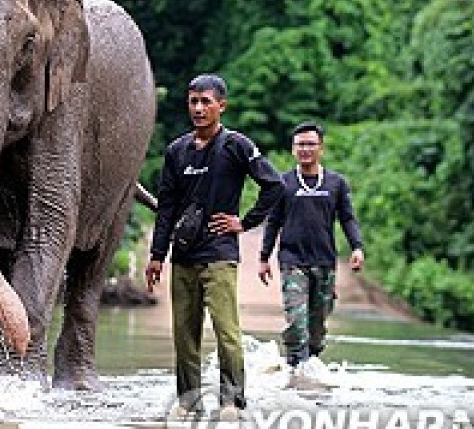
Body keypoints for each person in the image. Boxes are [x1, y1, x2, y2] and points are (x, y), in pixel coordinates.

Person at [145, 74, 284, 418]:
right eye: (193, 101)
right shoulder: (176, 151)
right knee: (184, 336)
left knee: (227, 334)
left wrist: (245, 222)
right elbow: (166, 208)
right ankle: (189, 402)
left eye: (206, 102)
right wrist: (157, 255)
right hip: (184, 256)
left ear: (222, 105)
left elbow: (274, 185)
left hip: (220, 255)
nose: (198, 108)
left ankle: (232, 400)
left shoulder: (236, 145)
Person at [258, 121, 364, 375]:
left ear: (321, 148)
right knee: (296, 320)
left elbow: (347, 218)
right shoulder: (283, 183)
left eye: (310, 144)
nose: (305, 149)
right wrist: (263, 258)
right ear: (293, 149)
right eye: (300, 144)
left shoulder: (336, 183)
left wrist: (357, 247)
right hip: (292, 261)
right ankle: (295, 368)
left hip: (325, 261)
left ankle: (309, 367)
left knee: (316, 326)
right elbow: (273, 222)